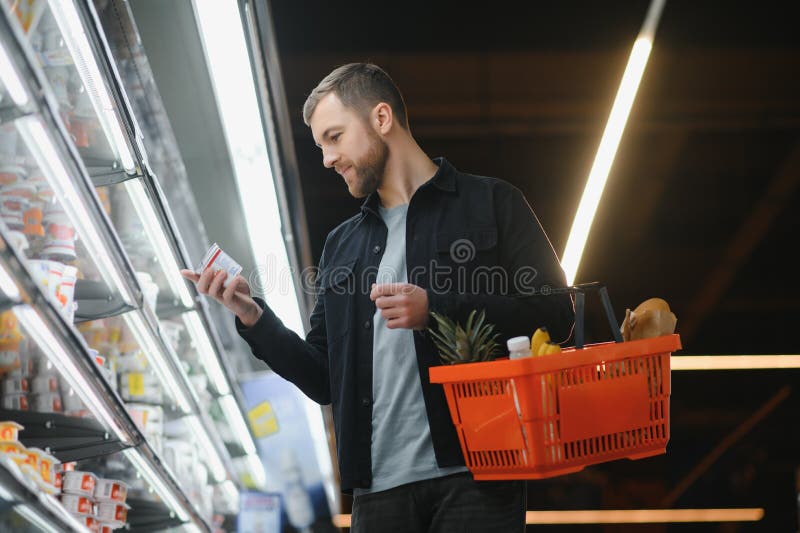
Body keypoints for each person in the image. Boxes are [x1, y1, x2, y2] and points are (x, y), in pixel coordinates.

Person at [182, 63, 573, 532]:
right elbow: (323, 377)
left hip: (479, 474)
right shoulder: (341, 245)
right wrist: (252, 316)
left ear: (381, 119)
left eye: (334, 137)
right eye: (321, 145)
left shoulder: (492, 202)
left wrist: (436, 309)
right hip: (378, 493)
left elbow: (555, 311)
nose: (327, 159)